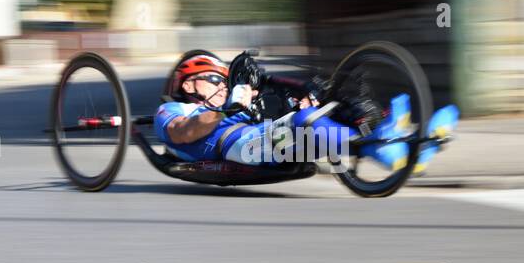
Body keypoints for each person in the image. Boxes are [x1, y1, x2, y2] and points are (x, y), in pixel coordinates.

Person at [153, 51, 457, 171]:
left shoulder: (234, 103)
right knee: (303, 121)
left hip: (262, 139)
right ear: (190, 84)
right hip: (235, 149)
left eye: (224, 81)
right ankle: (389, 142)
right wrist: (230, 107)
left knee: (316, 107)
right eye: (214, 80)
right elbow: (185, 132)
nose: (222, 85)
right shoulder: (171, 109)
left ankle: (405, 142)